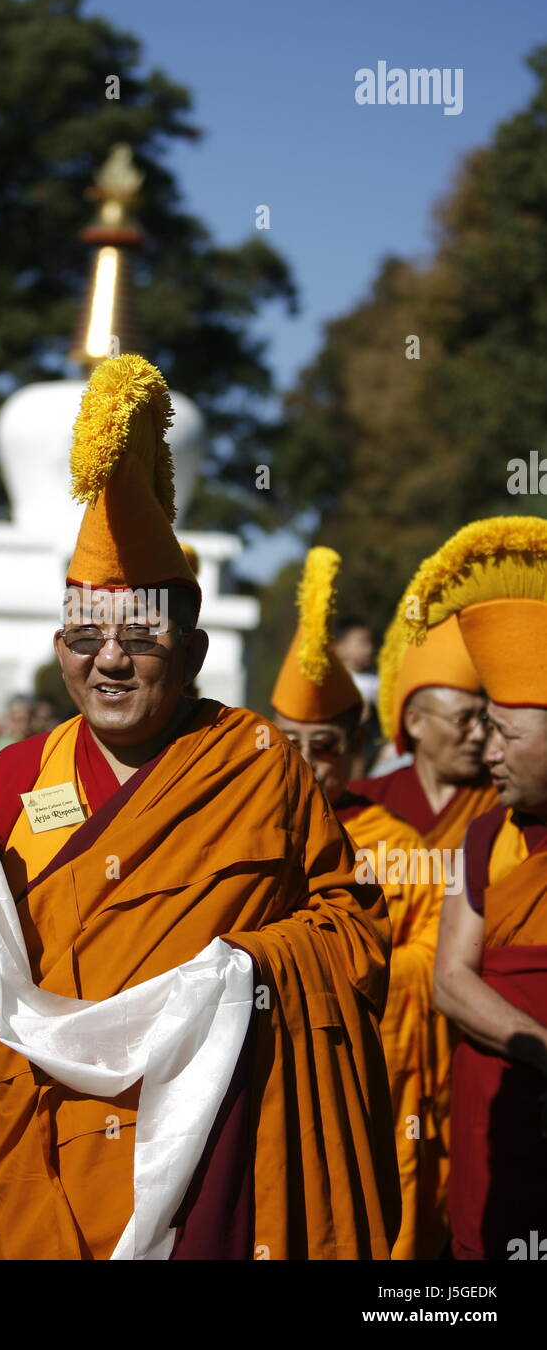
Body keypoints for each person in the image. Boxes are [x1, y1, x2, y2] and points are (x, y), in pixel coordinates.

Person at [0, 354, 401, 1260]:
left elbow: (354, 935)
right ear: (60, 650)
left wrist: (242, 970)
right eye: (87, 638)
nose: (111, 661)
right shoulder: (16, 775)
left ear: (195, 650)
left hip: (210, 1126)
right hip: (57, 1130)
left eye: (140, 637)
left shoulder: (256, 762)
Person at [271, 547, 450, 1260]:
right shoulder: (243, 833)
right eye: (287, 744)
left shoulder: (399, 842)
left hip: (376, 1068)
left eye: (324, 746)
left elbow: (432, 956)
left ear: (353, 751)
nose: (308, 763)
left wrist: (331, 977)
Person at [412, 517, 547, 1260]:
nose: (487, 752)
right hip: (499, 1108)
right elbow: (451, 981)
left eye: (508, 734)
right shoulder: (487, 836)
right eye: (483, 728)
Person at [350, 590, 497, 852]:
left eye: (483, 718)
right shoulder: (365, 804)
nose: (478, 735)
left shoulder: (502, 801)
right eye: (463, 719)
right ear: (415, 722)